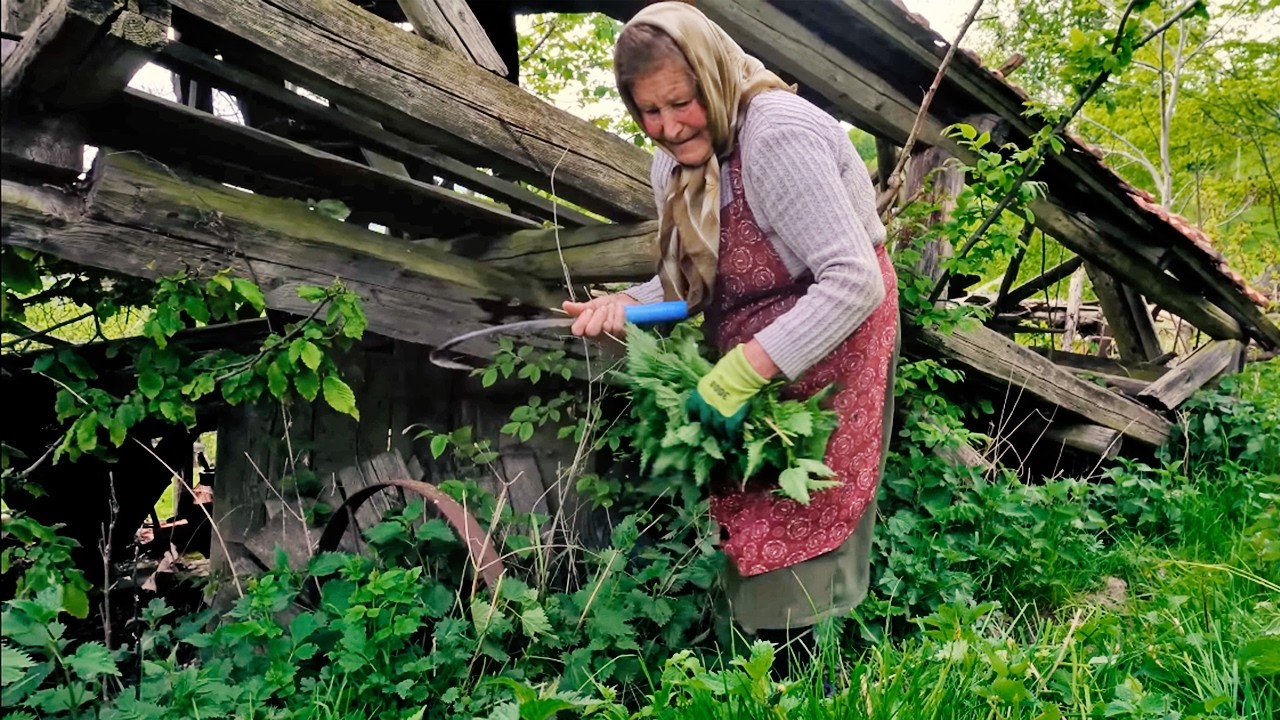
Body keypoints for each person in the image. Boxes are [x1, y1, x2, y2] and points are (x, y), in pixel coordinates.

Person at [563, 1, 900, 675]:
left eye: (680, 102)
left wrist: (746, 369)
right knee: (752, 504)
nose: (667, 126)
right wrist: (626, 305)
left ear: (712, 78)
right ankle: (766, 668)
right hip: (750, 354)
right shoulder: (676, 164)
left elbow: (852, 281)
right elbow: (689, 282)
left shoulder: (778, 134)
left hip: (832, 340)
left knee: (808, 506)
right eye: (648, 112)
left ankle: (809, 680)